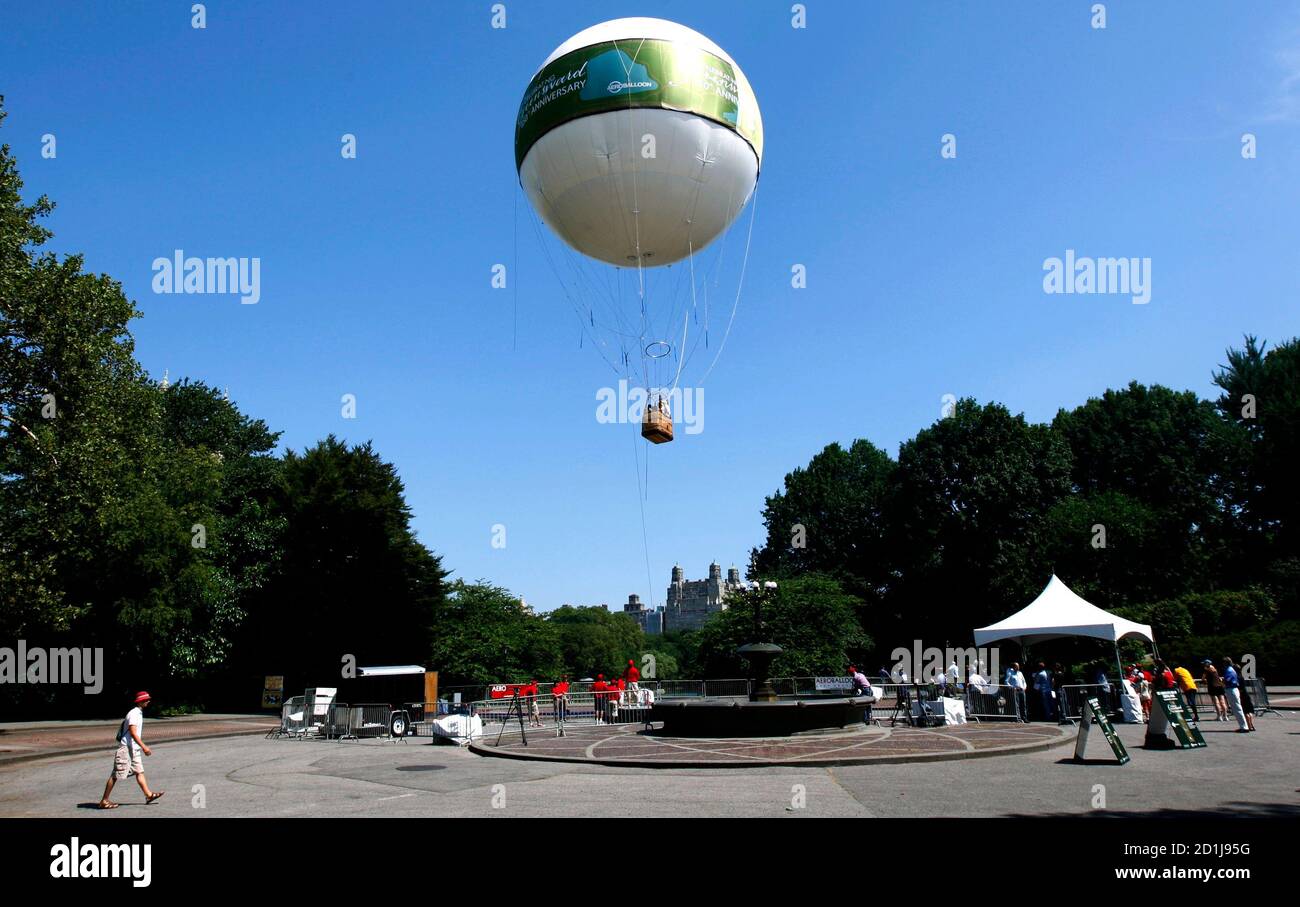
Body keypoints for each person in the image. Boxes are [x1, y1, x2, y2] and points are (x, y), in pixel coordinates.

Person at [99, 691, 164, 809]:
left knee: (139, 771)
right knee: (116, 775)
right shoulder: (133, 714)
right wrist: (144, 747)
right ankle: (104, 800)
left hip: (134, 749)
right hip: (126, 749)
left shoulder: (138, 713)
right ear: (140, 701)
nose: (148, 701)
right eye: (146, 700)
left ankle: (148, 795)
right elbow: (133, 733)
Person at [1222, 658, 1249, 732]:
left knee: (1237, 709)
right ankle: (1243, 726)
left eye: (1223, 663)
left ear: (1226, 663)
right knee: (1236, 709)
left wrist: (1222, 680)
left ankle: (1244, 727)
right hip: (1232, 689)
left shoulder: (1229, 670)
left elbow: (1227, 680)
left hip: (1231, 689)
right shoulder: (1231, 669)